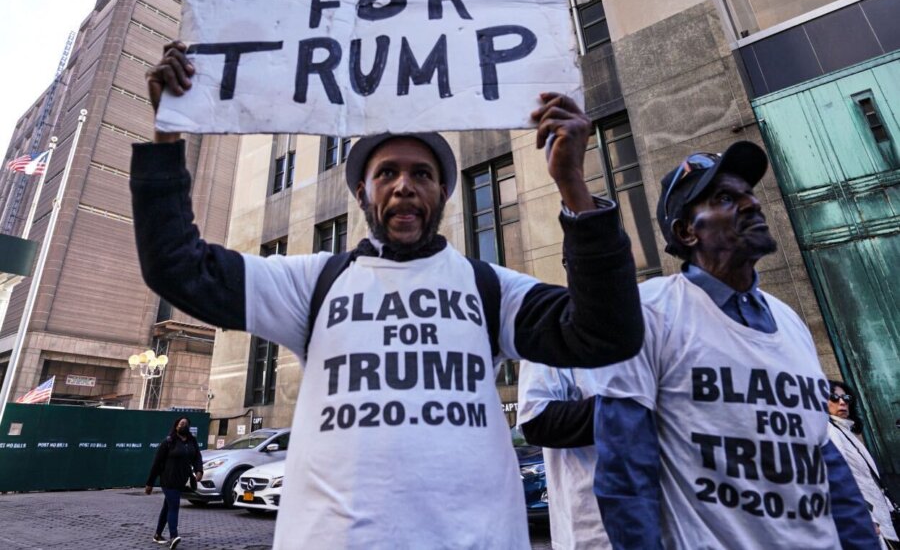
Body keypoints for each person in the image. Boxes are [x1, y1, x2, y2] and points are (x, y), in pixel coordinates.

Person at [130, 40, 644, 548]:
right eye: (387, 174)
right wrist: (168, 136)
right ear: (362, 194)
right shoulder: (312, 284)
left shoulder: (490, 289)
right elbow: (179, 269)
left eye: (422, 173)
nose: (404, 185)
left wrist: (575, 187)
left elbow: (606, 334)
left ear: (443, 193)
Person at [588, 141, 879, 549]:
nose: (751, 204)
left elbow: (825, 461)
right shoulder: (649, 312)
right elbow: (625, 477)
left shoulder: (789, 322)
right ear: (686, 231)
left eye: (749, 193)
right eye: (725, 198)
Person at [517, 360, 612, 549]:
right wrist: (622, 410)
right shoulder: (552, 334)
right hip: (592, 530)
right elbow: (535, 419)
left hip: (662, 522)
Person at [827, 380, 900, 549]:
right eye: (833, 397)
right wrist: (866, 518)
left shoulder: (843, 430)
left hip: (880, 517)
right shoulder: (830, 431)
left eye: (845, 397)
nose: (842, 402)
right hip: (869, 520)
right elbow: (838, 477)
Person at [145, 416, 203, 549]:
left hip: (181, 480)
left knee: (167, 507)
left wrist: (199, 470)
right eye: (181, 423)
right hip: (168, 480)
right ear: (176, 426)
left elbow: (197, 457)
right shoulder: (169, 441)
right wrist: (150, 483)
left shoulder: (192, 441)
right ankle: (173, 536)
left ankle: (158, 535)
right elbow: (156, 463)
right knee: (174, 506)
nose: (184, 425)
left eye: (186, 424)